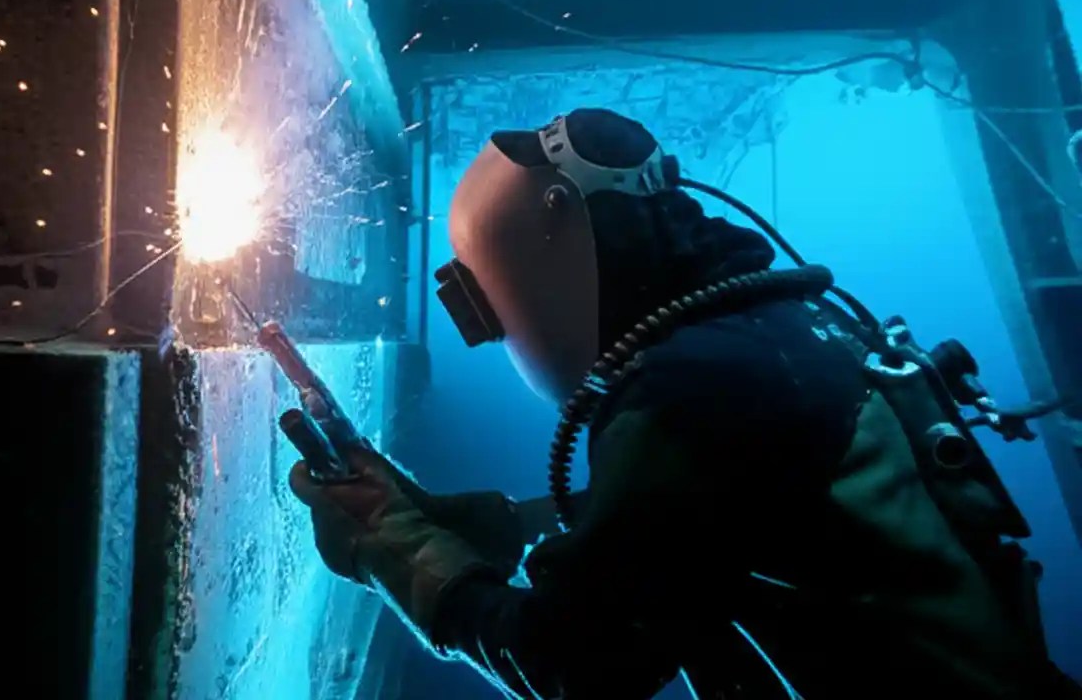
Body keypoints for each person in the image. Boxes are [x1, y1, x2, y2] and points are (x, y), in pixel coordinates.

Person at [289, 108, 1082, 699]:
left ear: (544, 253)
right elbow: (740, 509)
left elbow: (571, 663)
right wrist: (503, 525)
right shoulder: (780, 326)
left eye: (488, 309)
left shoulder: (689, 390)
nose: (497, 331)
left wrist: (392, 546)